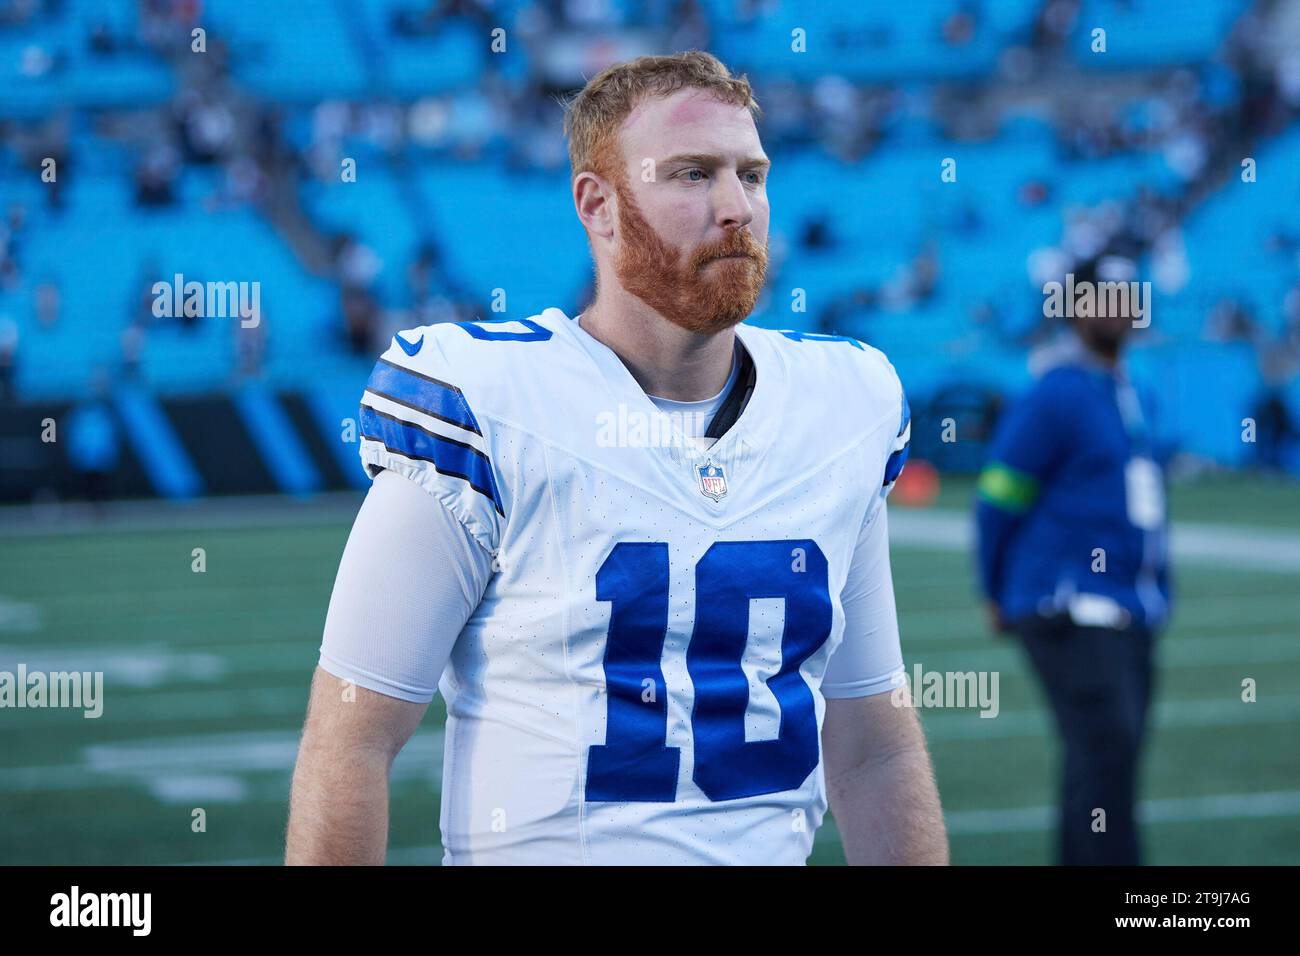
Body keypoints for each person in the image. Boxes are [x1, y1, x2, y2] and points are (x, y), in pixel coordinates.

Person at [287, 51, 947, 866]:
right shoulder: (486, 404)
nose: (737, 207)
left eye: (753, 174)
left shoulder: (844, 405)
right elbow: (350, 744)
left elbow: (873, 744)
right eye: (693, 175)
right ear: (599, 206)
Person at [974, 273, 1171, 865]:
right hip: (1071, 604)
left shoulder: (1129, 390)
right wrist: (995, 588)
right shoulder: (1056, 394)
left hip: (1128, 607)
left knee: (1107, 762)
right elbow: (999, 494)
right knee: (1104, 751)